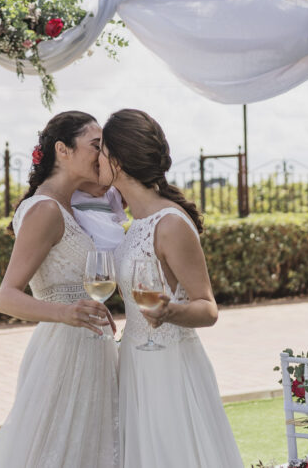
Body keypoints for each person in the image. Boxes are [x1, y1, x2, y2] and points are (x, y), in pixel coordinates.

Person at [102, 108, 243, 468]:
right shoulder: (135, 223)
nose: (96, 158)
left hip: (170, 368)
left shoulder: (170, 224)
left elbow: (207, 308)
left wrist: (170, 312)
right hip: (135, 362)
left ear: (117, 161)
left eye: (101, 150)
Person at [0, 111, 119, 468]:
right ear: (63, 150)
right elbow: (6, 296)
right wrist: (66, 312)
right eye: (96, 146)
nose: (102, 155)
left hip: (89, 347)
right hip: (64, 353)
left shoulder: (69, 205)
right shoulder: (45, 210)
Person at [71, 182, 127, 252]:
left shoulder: (109, 193)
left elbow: (126, 200)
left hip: (122, 249)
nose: (106, 181)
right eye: (98, 173)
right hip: (93, 254)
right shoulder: (70, 194)